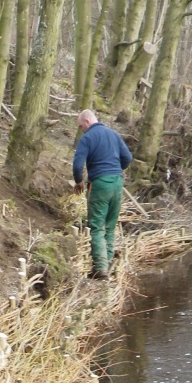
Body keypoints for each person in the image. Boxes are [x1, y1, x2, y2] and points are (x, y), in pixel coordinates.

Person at [72, 109, 133, 279]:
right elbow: (127, 157)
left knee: (97, 226)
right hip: (117, 183)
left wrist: (78, 181)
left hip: (100, 184)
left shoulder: (87, 138)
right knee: (110, 226)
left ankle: (100, 268)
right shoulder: (113, 134)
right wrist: (115, 169)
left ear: (87, 122)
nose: (81, 129)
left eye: (81, 126)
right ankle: (108, 263)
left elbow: (77, 166)